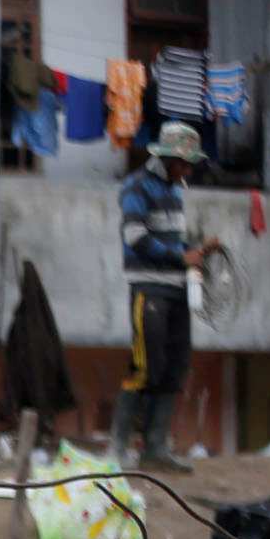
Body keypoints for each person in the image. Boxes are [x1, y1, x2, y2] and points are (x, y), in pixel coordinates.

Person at [114, 120, 213, 473]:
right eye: (183, 164)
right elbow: (135, 236)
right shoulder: (136, 186)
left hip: (176, 290)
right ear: (168, 159)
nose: (188, 170)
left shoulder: (174, 191)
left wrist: (195, 252)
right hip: (149, 290)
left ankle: (155, 447)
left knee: (175, 366)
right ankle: (118, 447)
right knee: (146, 366)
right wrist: (180, 256)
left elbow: (171, 242)